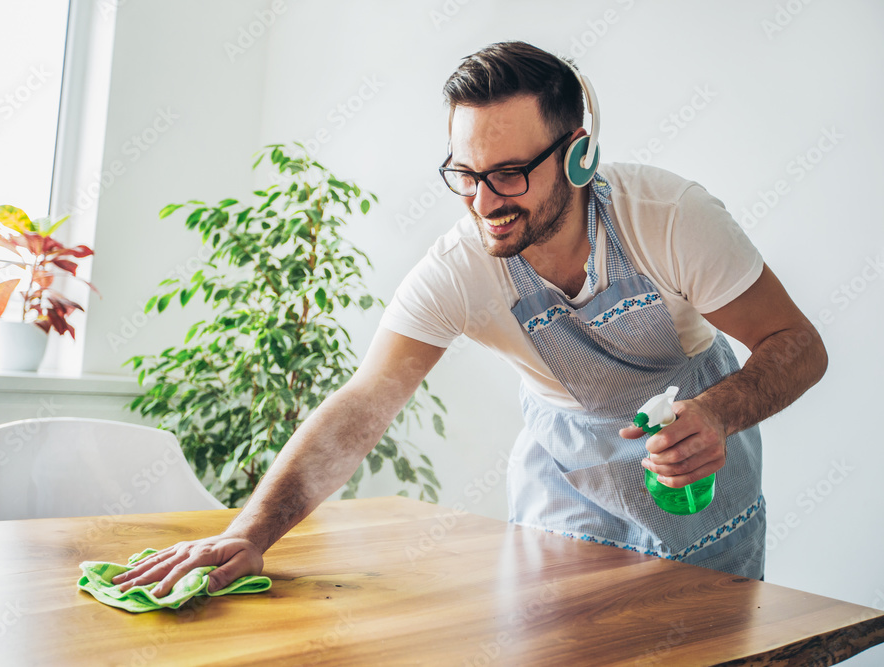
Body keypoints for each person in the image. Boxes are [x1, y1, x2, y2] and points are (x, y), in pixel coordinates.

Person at [113, 41, 827, 595]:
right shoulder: (461, 266)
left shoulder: (670, 219)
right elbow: (366, 399)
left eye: (509, 175)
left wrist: (719, 411)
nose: (485, 202)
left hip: (697, 461)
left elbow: (798, 344)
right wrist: (251, 532)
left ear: (579, 155)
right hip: (567, 474)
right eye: (466, 175)